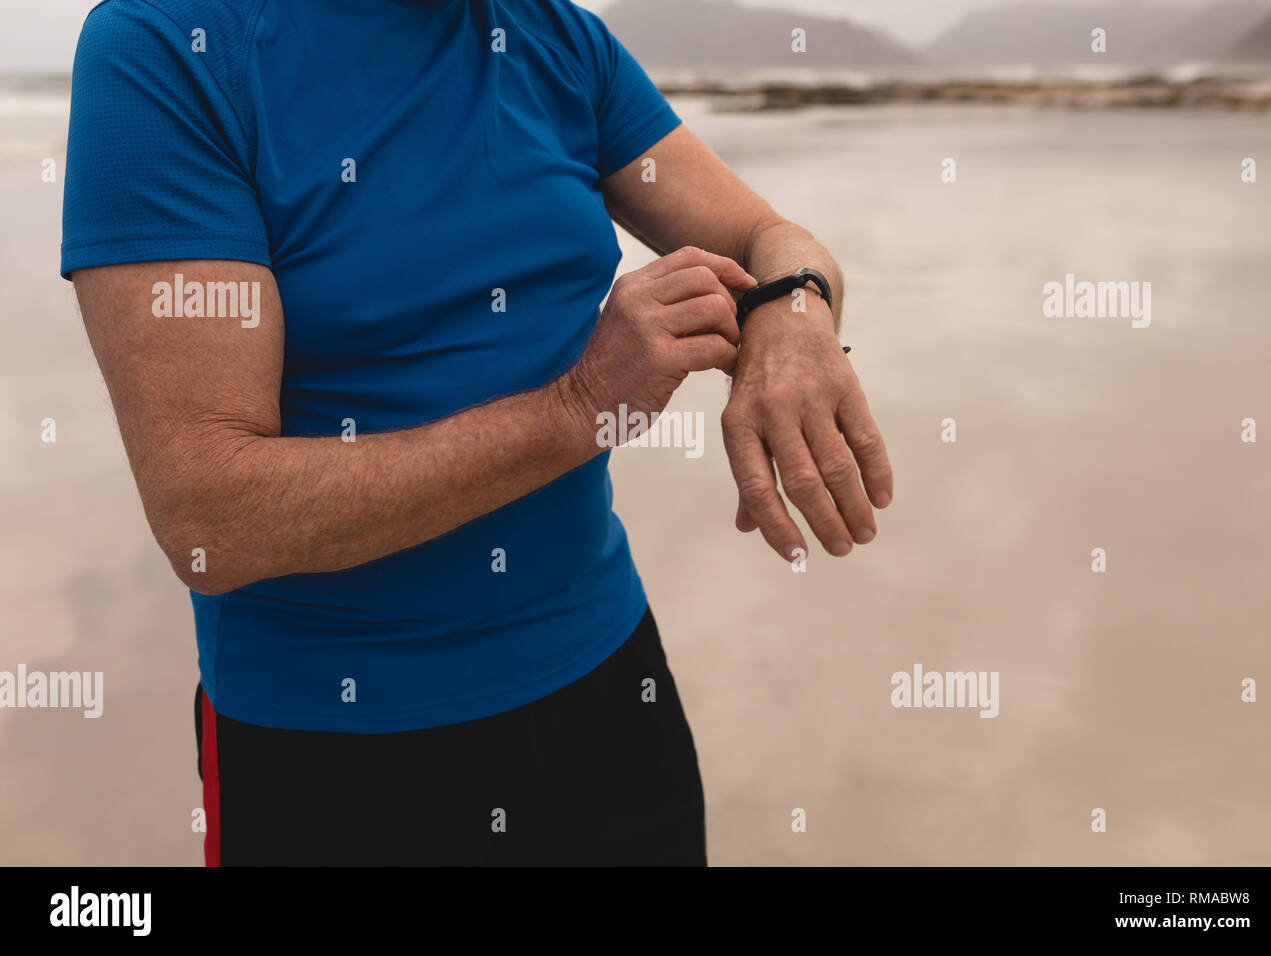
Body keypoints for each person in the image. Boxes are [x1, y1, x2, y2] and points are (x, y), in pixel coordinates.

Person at [61, 0, 893, 865]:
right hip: (332, 743)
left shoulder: (556, 37)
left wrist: (795, 315)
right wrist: (576, 407)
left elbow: (767, 237)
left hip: (608, 691)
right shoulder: (172, 45)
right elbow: (212, 519)